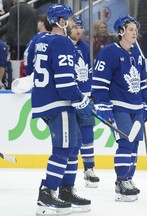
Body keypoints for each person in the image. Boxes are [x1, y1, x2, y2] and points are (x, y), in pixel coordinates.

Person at [31, 4, 95, 215]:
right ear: (60, 21)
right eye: (69, 20)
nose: (72, 23)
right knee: (64, 148)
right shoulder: (63, 43)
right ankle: (47, 192)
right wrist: (81, 100)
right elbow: (66, 83)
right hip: (59, 104)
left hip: (44, 100)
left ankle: (66, 190)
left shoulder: (40, 40)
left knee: (73, 145)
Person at [91, 15, 147, 202]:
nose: (135, 32)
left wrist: (146, 103)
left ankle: (129, 179)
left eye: (136, 29)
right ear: (121, 32)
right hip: (119, 107)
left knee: (134, 144)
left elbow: (142, 83)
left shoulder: (137, 54)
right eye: (131, 29)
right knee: (125, 143)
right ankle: (121, 181)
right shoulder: (109, 52)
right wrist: (103, 104)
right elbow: (100, 83)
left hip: (136, 107)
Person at [69, 16, 100, 188]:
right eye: (75, 27)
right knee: (72, 138)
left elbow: (88, 74)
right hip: (69, 100)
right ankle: (68, 173)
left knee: (88, 133)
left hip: (85, 98)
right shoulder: (63, 46)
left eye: (80, 27)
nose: (78, 31)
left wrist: (90, 94)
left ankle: (89, 170)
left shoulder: (84, 47)